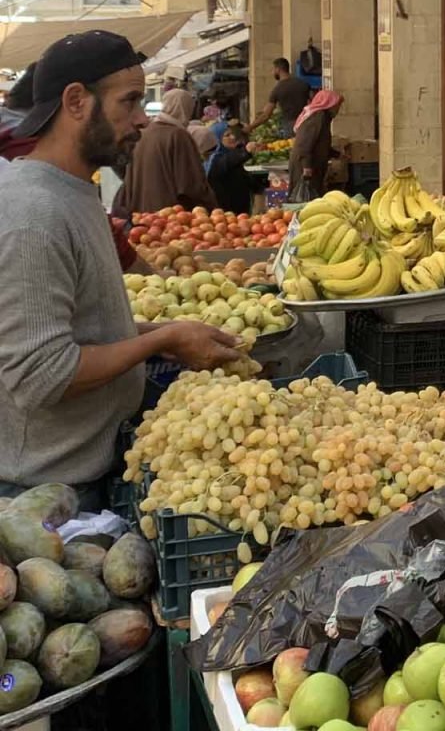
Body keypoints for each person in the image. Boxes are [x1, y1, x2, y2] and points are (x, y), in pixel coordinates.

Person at [0, 31, 242, 500]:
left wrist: (155, 334)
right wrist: (164, 338)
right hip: (50, 490)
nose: (141, 120)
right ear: (76, 101)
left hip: (90, 463)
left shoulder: (73, 192)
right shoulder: (32, 215)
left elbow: (71, 330)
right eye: (129, 101)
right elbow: (44, 375)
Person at [116, 87, 216, 214]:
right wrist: (210, 208)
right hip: (171, 219)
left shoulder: (142, 134)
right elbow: (191, 185)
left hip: (140, 215)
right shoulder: (178, 136)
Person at [291, 88, 342, 202]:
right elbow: (305, 143)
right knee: (304, 199)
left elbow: (320, 143)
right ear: (329, 104)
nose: (338, 109)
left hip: (313, 165)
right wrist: (306, 166)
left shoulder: (324, 118)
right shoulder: (317, 117)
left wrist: (337, 154)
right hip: (305, 166)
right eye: (337, 105)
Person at [250, 58, 313, 136]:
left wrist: (250, 127)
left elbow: (266, 115)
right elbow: (313, 103)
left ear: (278, 69)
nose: (272, 72)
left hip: (290, 126)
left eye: (273, 69)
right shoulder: (303, 84)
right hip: (305, 122)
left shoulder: (277, 89)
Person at [207, 128, 259, 214]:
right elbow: (227, 162)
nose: (233, 137)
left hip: (241, 209)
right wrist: (245, 152)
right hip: (226, 210)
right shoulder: (214, 158)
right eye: (227, 135)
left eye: (232, 134)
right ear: (218, 138)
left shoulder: (231, 153)